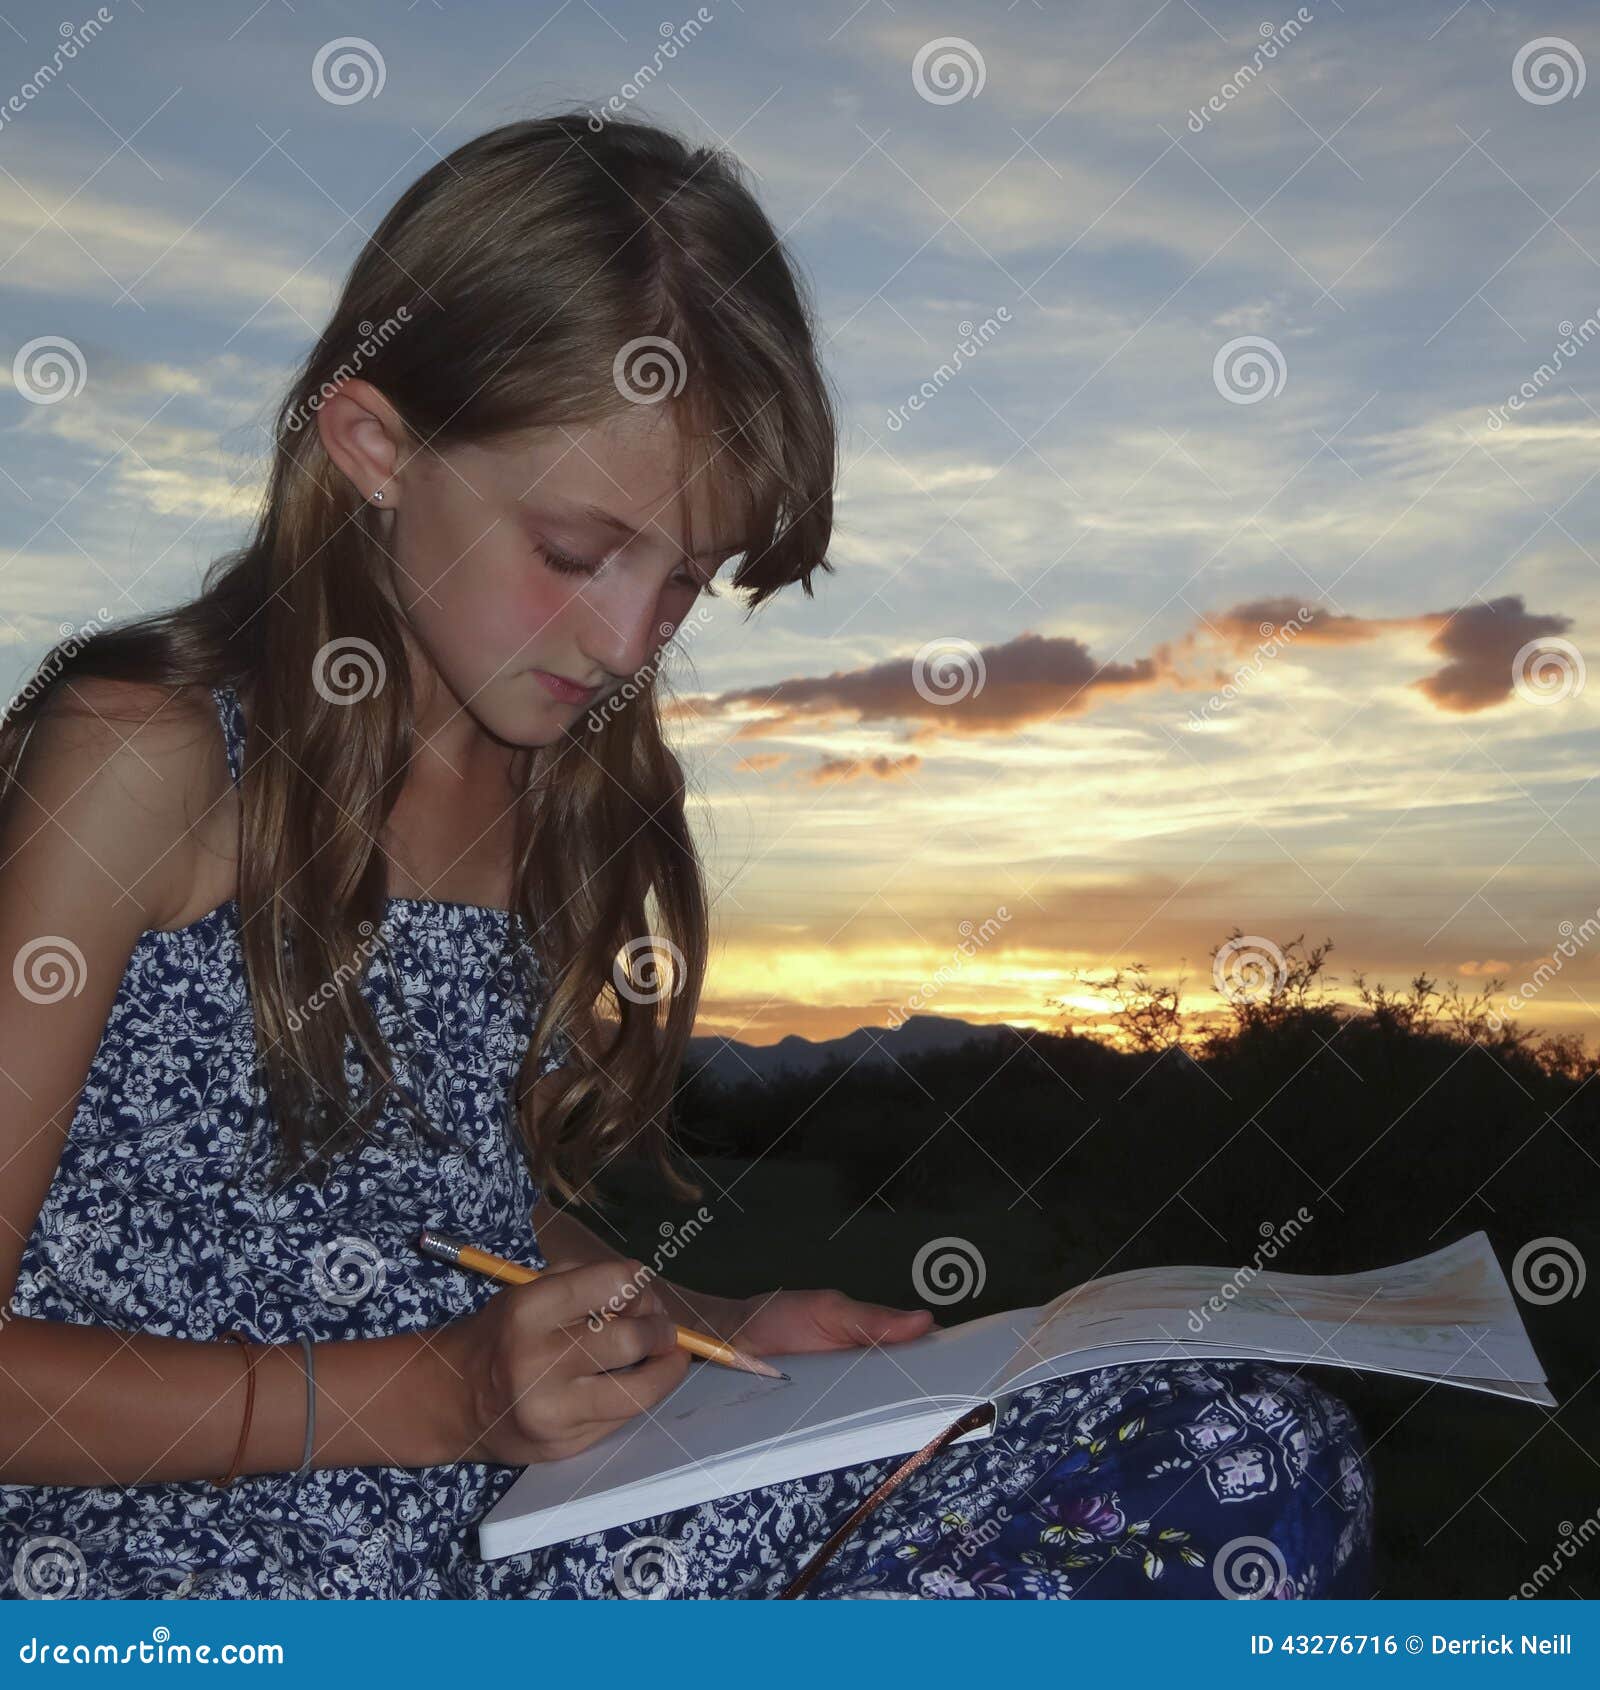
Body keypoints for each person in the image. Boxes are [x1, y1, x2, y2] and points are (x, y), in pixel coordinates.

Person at [0, 111, 1374, 1600]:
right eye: (575, 554)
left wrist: (698, 1323)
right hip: (166, 1570)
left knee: (1245, 1446)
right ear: (376, 446)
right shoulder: (149, 760)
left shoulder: (542, 790)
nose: (625, 642)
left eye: (685, 582)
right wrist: (433, 1398)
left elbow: (429, 1210)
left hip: (494, 1524)